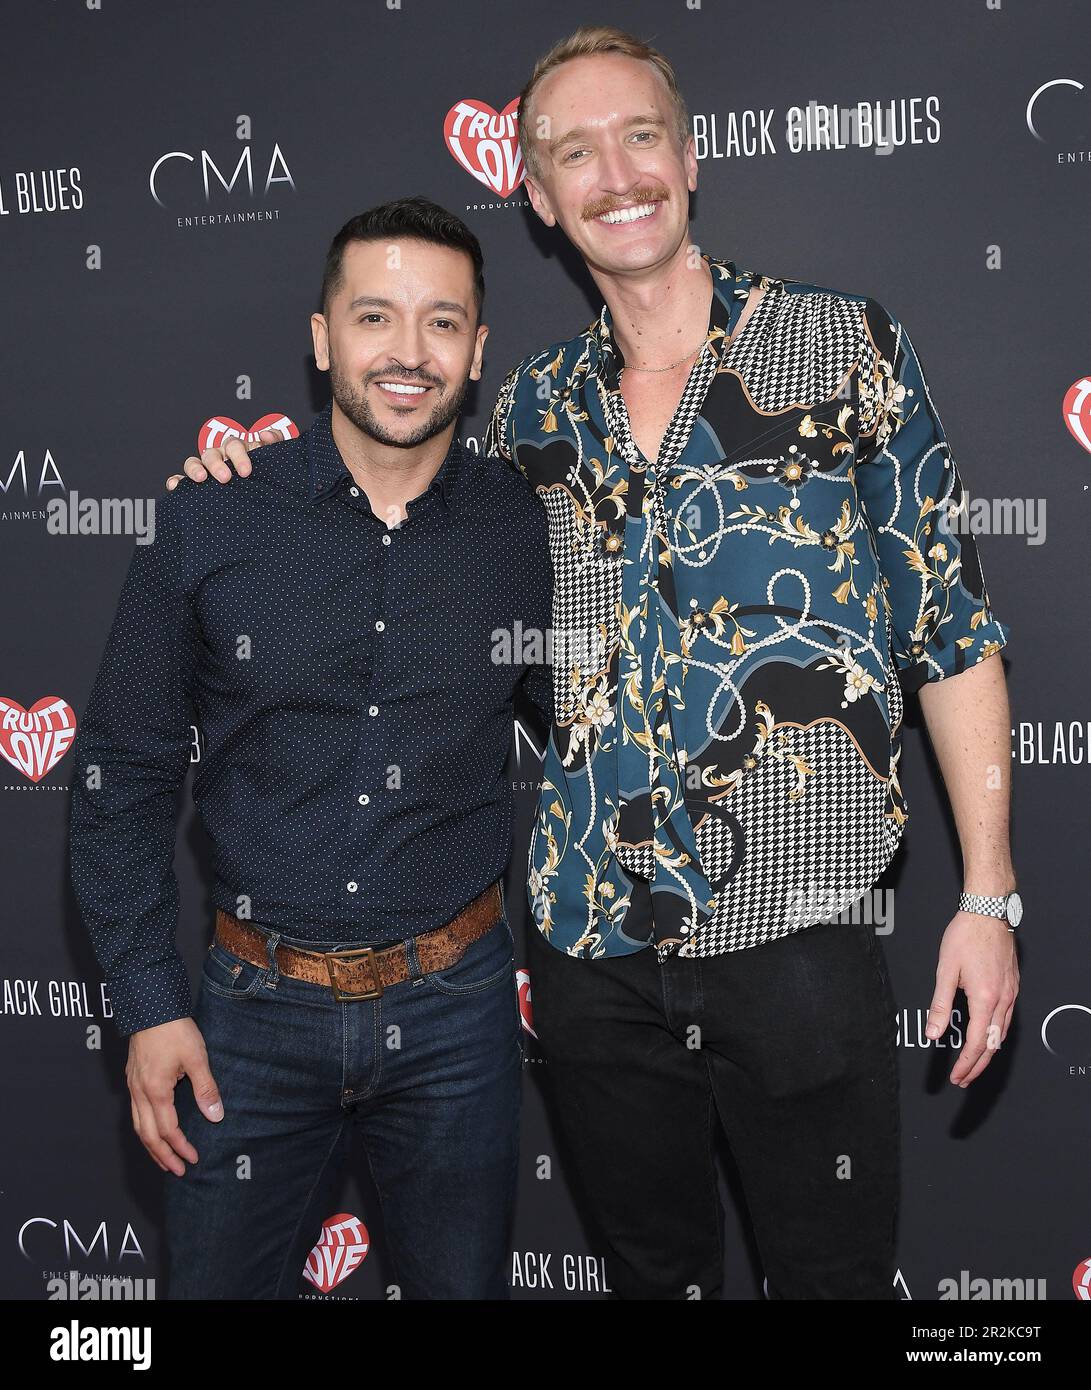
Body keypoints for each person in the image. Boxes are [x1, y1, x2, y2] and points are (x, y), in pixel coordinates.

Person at [169, 25, 1021, 1301]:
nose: (615, 173)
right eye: (574, 150)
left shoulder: (840, 345)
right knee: (647, 1274)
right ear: (537, 194)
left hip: (797, 931)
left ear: (687, 156)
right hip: (587, 947)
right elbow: (384, 521)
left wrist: (987, 893)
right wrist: (238, 483)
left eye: (638, 137)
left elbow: (948, 628)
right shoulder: (524, 409)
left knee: (833, 1277)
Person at [69, 197, 553, 1300]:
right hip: (249, 1015)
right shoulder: (212, 519)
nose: (406, 352)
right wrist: (148, 1002)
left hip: (456, 1014)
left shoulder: (524, 533)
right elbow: (122, 775)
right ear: (322, 336)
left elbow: (604, 720)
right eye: (374, 316)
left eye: (441, 323)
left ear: (477, 351)